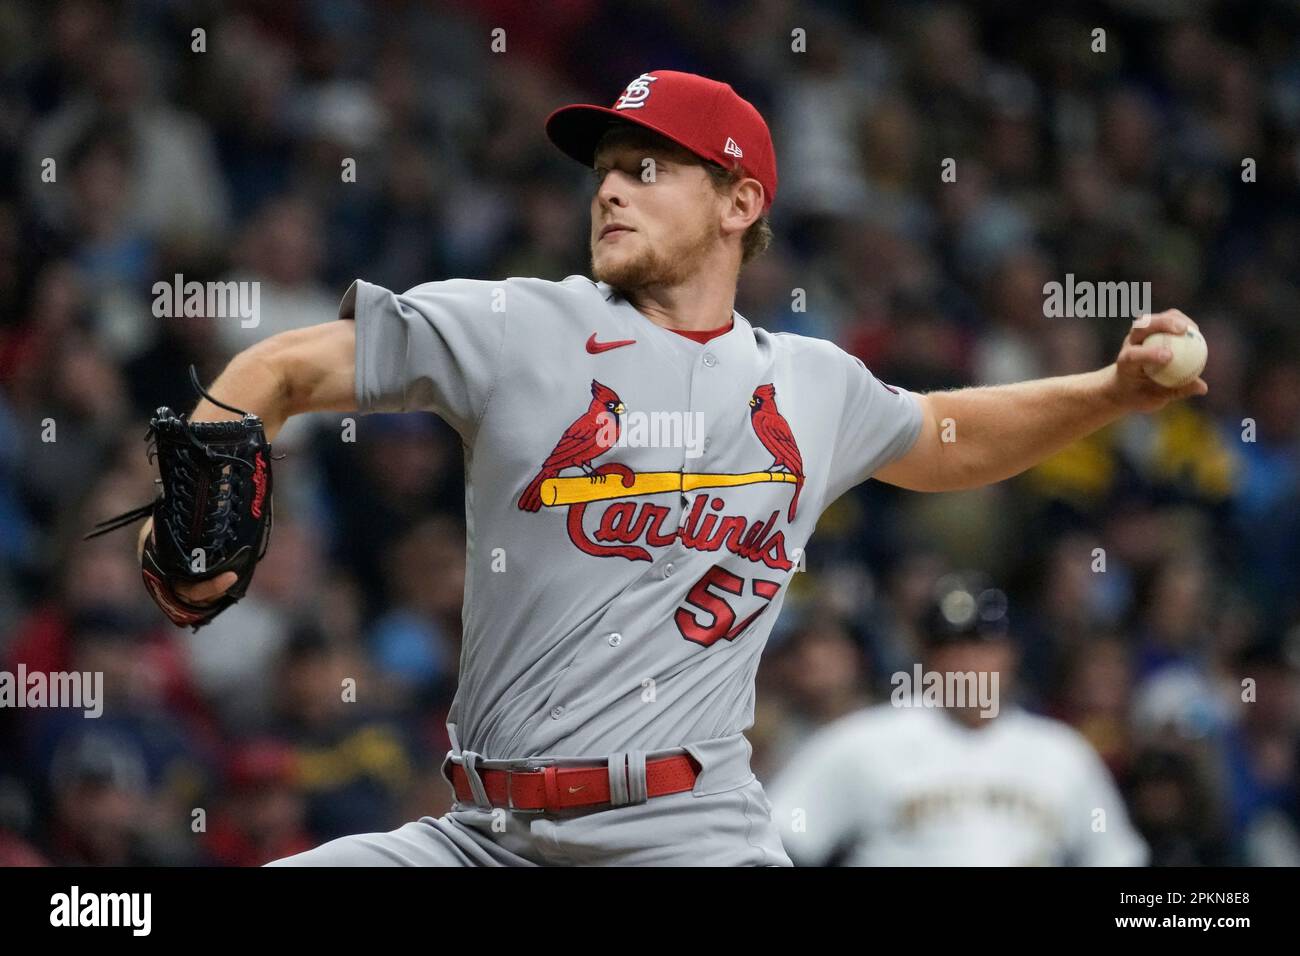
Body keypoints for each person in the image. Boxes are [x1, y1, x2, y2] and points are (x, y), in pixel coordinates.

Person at [131, 70, 1206, 866]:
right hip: (483, 837)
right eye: (602, 172)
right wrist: (199, 490)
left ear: (739, 203)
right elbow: (286, 365)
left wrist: (1108, 394)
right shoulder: (520, 322)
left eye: (646, 168)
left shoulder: (812, 383)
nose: (610, 190)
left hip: (690, 835)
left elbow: (947, 437)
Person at [768, 574, 1149, 866]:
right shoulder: (862, 741)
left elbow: (1117, 856)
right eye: (951, 646)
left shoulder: (1060, 751)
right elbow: (779, 840)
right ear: (927, 656)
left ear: (1010, 655)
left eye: (981, 646)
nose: (967, 663)